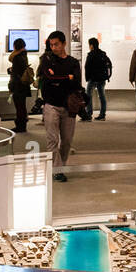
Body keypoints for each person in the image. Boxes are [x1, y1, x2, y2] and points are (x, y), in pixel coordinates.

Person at [38, 30, 81, 181]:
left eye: (56, 44)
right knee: (52, 139)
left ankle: (60, 165)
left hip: (69, 107)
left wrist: (60, 79)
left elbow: (76, 81)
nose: (54, 47)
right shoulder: (47, 60)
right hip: (51, 105)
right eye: (51, 45)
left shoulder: (73, 63)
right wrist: (66, 77)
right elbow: (49, 78)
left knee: (67, 140)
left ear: (64, 44)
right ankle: (57, 170)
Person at [7, 38, 32, 133]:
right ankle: (22, 125)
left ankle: (20, 126)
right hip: (23, 86)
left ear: (15, 46)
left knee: (19, 107)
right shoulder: (24, 55)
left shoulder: (17, 57)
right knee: (22, 106)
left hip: (18, 86)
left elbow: (16, 73)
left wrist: (10, 71)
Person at [84, 37, 112, 121]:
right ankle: (102, 114)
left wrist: (87, 78)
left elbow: (87, 67)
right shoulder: (102, 54)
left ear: (91, 45)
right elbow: (108, 65)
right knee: (102, 96)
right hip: (101, 78)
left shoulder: (91, 54)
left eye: (89, 45)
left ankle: (89, 114)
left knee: (88, 95)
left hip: (92, 79)